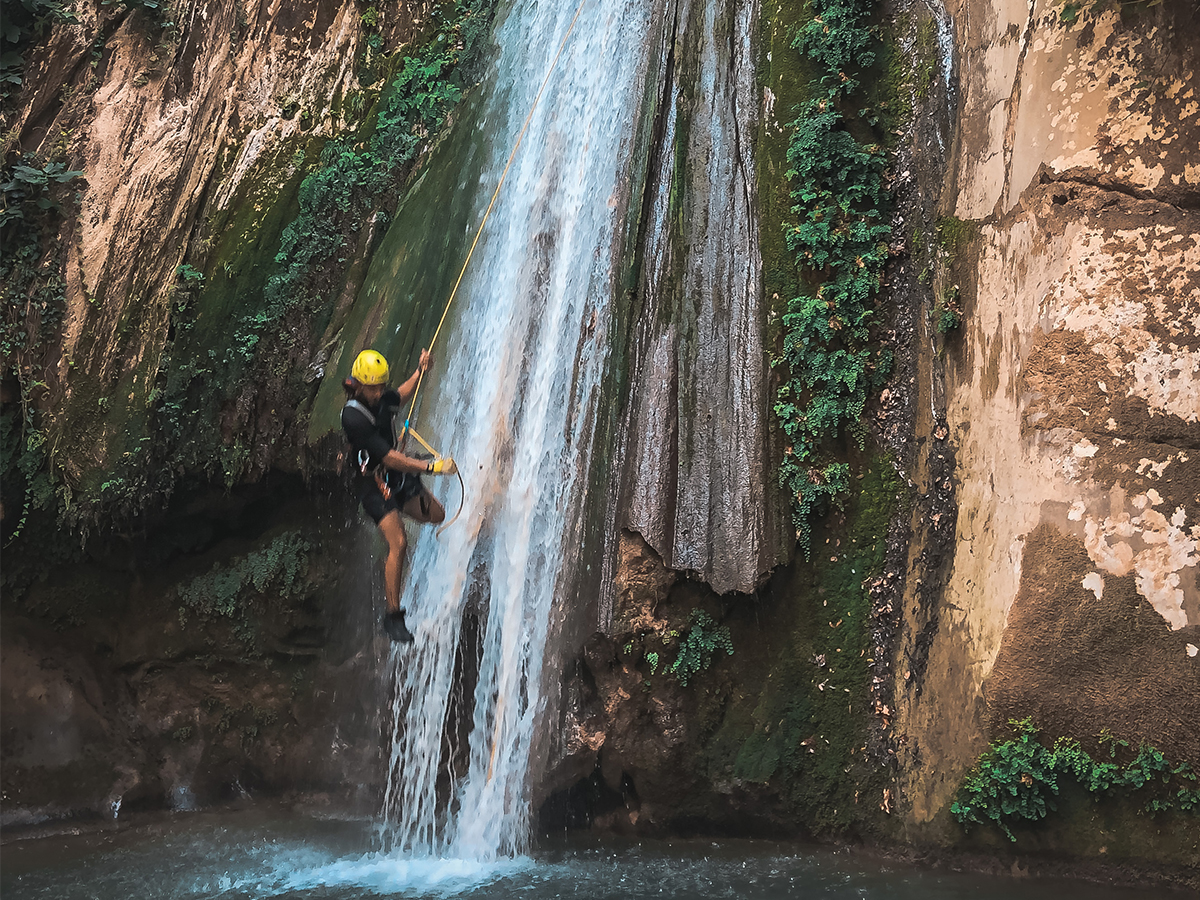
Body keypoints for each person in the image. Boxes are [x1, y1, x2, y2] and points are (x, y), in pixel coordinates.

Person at [341, 348, 457, 643]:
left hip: (396, 477)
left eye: (382, 386)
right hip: (372, 483)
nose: (380, 392)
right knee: (399, 541)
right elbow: (389, 458)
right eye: (375, 387)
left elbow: (400, 395)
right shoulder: (353, 417)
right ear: (361, 385)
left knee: (438, 515)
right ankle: (393, 617)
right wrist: (432, 466)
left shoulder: (380, 397)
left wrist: (421, 370)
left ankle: (403, 503)